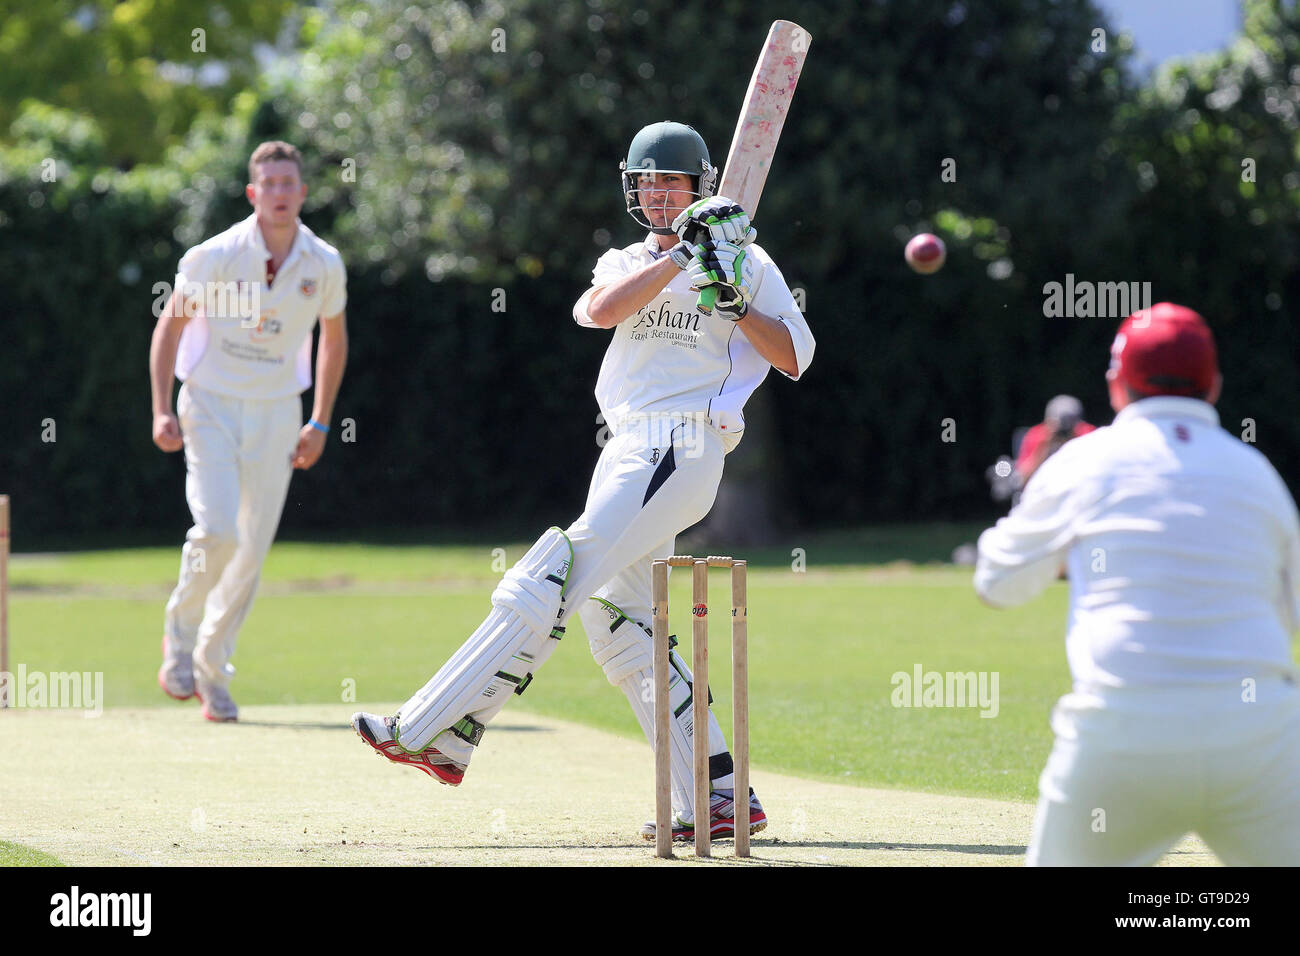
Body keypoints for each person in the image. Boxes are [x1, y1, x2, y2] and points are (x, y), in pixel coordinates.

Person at [351, 121, 815, 844]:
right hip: (628, 447)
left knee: (556, 571)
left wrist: (732, 299)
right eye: (648, 183)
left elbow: (792, 355)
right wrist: (680, 259)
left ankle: (431, 729)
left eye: (673, 182)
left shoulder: (749, 261)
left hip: (684, 441)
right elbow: (598, 312)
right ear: (634, 190)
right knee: (617, 621)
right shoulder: (625, 260)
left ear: (700, 183)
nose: (660, 195)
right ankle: (719, 795)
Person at [974, 302, 1300, 866]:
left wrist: (1066, 553)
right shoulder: (1258, 474)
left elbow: (997, 581)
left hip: (1123, 737)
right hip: (1261, 741)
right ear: (1214, 385)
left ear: (1117, 383)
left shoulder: (1083, 461)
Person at [149, 141, 349, 722]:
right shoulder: (216, 256)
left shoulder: (322, 263)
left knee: (251, 551)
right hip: (209, 402)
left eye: (290, 183)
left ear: (302, 193)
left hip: (278, 412)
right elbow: (171, 326)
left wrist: (320, 420)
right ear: (253, 193)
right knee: (218, 531)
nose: (281, 194)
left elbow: (333, 341)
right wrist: (161, 407)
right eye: (270, 184)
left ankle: (213, 673)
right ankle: (180, 639)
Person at [1014, 394, 1096, 484]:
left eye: (1069, 425)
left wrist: (1074, 443)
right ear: (1047, 421)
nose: (1063, 432)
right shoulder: (1037, 435)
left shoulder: (1088, 434)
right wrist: (1043, 447)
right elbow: (1021, 479)